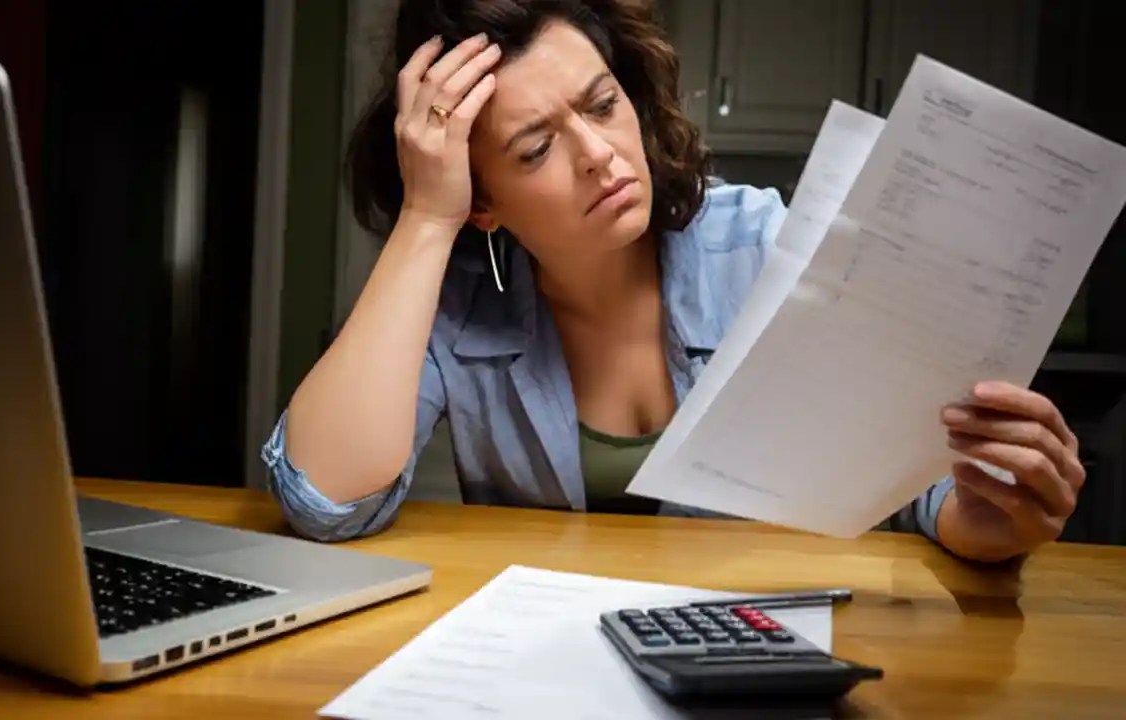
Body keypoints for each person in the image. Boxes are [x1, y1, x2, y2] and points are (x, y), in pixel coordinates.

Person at [261, 0, 1085, 563]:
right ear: (484, 200)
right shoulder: (454, 301)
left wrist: (983, 520)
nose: (599, 154)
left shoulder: (767, 244)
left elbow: (916, 488)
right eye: (535, 150)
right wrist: (427, 219)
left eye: (602, 103)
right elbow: (327, 503)